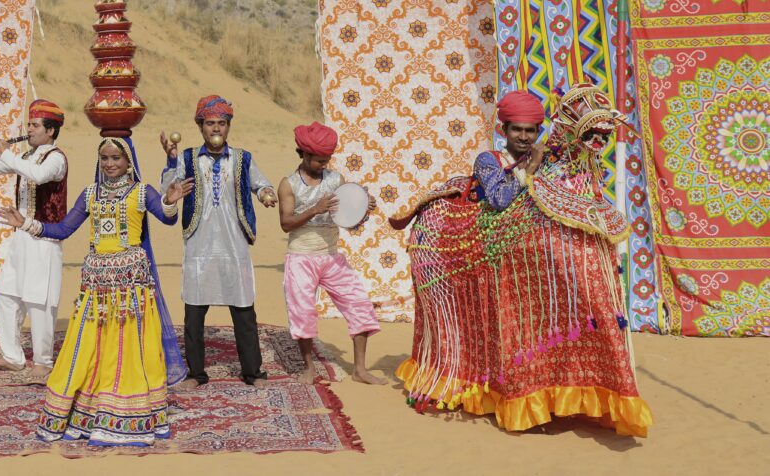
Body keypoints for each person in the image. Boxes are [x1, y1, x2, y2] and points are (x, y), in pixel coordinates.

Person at [396, 85, 653, 437]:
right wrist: (528, 169)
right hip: (484, 246)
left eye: (530, 131)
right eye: (516, 129)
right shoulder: (490, 160)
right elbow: (500, 199)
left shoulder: (548, 159)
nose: (523, 136)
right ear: (504, 131)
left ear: (539, 132)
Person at [0, 137, 191, 446]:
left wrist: (170, 201)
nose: (111, 163)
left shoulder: (142, 192)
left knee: (130, 347)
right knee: (90, 344)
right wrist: (25, 223)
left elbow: (167, 219)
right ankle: (91, 408)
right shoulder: (90, 195)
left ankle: (127, 411)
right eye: (105, 158)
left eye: (117, 158)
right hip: (97, 287)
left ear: (129, 162)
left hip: (130, 287)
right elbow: (63, 229)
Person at [160, 95, 277, 388]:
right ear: (200, 126)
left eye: (222, 123)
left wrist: (265, 194)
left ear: (228, 127)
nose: (216, 129)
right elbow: (168, 192)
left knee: (243, 309)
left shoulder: (242, 158)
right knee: (194, 313)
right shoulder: (187, 158)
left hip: (233, 246)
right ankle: (197, 374)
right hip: (199, 247)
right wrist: (171, 160)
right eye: (210, 123)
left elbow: (261, 183)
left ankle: (253, 372)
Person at [277, 122, 383, 384]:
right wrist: (315, 208)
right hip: (301, 256)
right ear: (303, 154)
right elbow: (286, 223)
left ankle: (359, 370)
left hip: (331, 255)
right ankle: (309, 368)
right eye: (318, 161)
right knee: (302, 312)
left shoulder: (337, 180)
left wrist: (365, 208)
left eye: (327, 160)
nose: (323, 165)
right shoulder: (288, 184)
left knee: (360, 304)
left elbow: (350, 219)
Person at [0, 98, 69, 380]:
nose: (29, 129)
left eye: (35, 125)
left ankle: (43, 360)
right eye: (29, 124)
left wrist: (8, 153)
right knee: (7, 295)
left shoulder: (56, 159)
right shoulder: (25, 157)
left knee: (40, 301)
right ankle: (13, 357)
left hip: (43, 239)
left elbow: (37, 176)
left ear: (50, 131)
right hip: (20, 238)